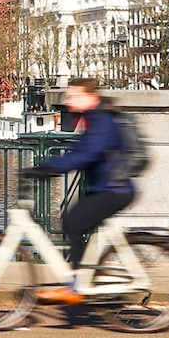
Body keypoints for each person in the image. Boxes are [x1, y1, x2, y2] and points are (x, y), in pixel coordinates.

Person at [34, 79, 138, 284]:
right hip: (104, 186)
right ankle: (81, 275)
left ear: (90, 97)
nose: (68, 102)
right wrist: (49, 166)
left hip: (114, 189)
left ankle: (77, 281)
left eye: (73, 97)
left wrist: (50, 168)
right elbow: (79, 151)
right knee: (72, 220)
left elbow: (88, 154)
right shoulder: (92, 117)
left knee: (73, 222)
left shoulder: (102, 120)